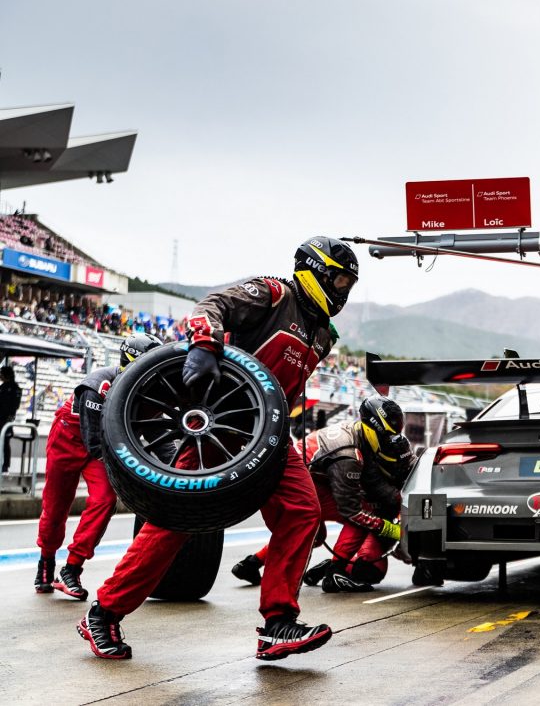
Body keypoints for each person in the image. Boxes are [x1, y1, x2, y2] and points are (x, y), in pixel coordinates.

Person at [78, 236, 359, 661]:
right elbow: (212, 305)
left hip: (270, 436)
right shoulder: (272, 293)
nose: (342, 291)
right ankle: (103, 613)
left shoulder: (325, 335)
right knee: (173, 527)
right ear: (315, 270)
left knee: (304, 512)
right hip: (218, 429)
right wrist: (206, 344)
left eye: (348, 284)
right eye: (338, 281)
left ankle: (277, 624)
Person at [233, 396, 414, 593]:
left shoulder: (360, 435)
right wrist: (389, 529)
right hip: (294, 481)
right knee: (361, 513)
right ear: (373, 428)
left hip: (294, 477)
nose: (390, 441)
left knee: (314, 535)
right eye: (387, 436)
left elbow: (372, 480)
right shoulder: (348, 455)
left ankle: (251, 563)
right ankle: (335, 573)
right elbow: (351, 511)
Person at [34, 334, 163, 598]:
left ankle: (71, 569)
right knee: (55, 506)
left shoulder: (150, 393)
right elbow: (93, 441)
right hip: (70, 438)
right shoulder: (98, 383)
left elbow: (158, 437)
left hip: (102, 446)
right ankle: (46, 561)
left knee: (105, 500)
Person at [0, 365, 22, 472]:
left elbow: (14, 405)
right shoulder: (2, 387)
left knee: (5, 442)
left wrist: (9, 415)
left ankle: (5, 465)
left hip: (6, 420)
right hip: (1, 419)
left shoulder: (14, 388)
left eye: (1, 373)